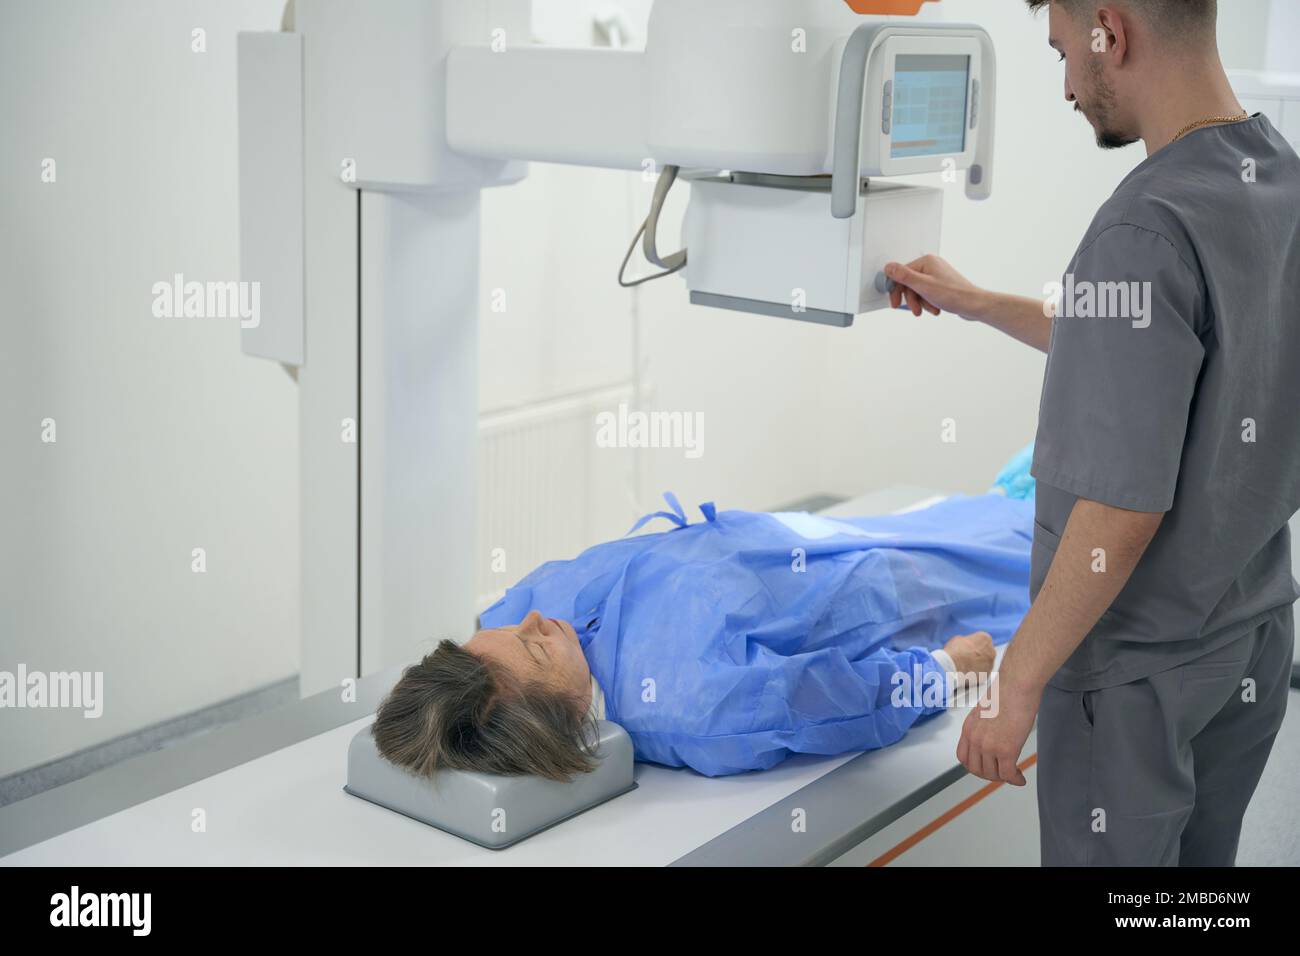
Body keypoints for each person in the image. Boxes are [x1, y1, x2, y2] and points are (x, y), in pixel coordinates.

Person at [884, 0, 1299, 866]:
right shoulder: (1275, 175)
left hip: (1136, 675)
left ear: (1112, 29)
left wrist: (1017, 680)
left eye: (1064, 52)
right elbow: (1155, 346)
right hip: (1247, 639)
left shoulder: (1142, 225)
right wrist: (979, 303)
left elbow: (1122, 506)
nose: (1069, 85)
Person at [372, 492, 1033, 778]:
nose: (536, 620)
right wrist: (944, 669)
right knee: (1032, 546)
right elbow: (839, 699)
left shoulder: (517, 623)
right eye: (536, 646)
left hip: (802, 537)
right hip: (884, 589)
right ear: (559, 716)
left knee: (975, 512)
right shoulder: (697, 710)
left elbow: (499, 631)